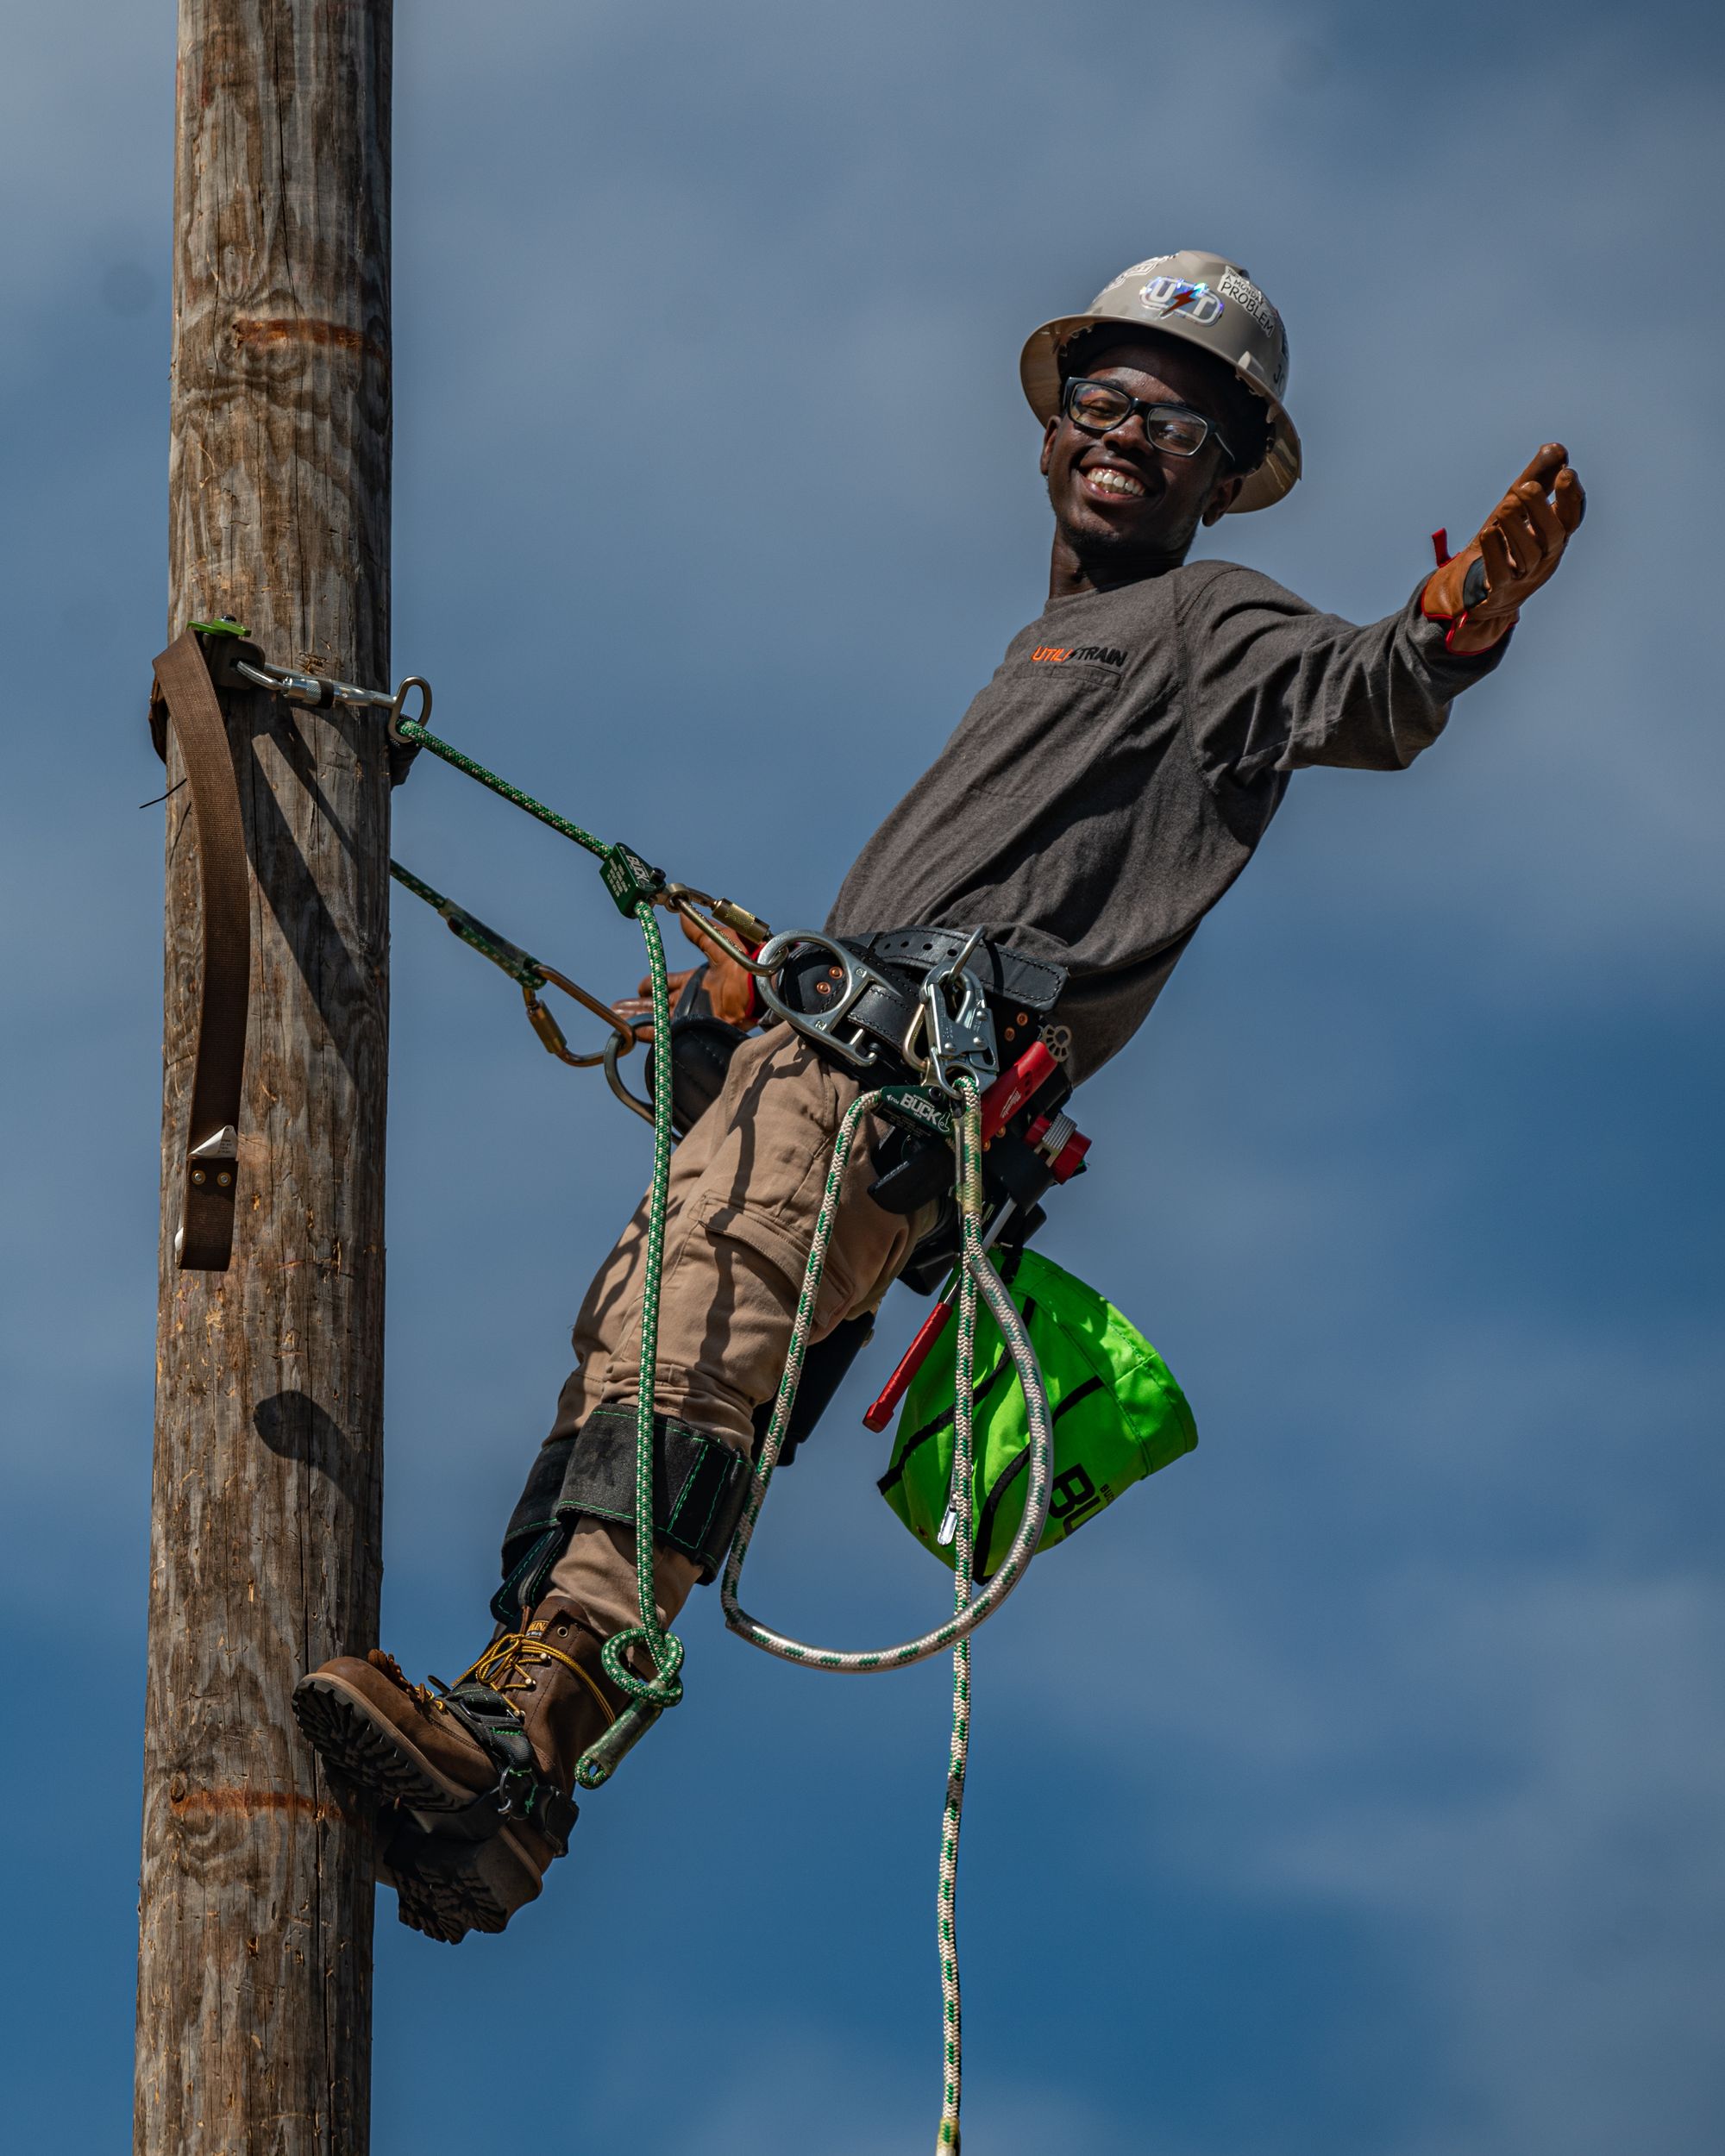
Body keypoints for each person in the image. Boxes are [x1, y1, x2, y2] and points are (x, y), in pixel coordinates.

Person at [293, 250, 1584, 1942]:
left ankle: (521, 1729)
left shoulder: (1204, 623)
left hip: (873, 1095)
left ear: (1225, 466)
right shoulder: (1056, 646)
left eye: (1176, 420)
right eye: (1101, 401)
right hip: (834, 1075)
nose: (1126, 433)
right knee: (664, 1358)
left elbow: (1366, 693)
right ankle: (512, 1783)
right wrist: (765, 987)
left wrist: (1453, 623)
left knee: (689, 1343)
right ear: (1052, 430)